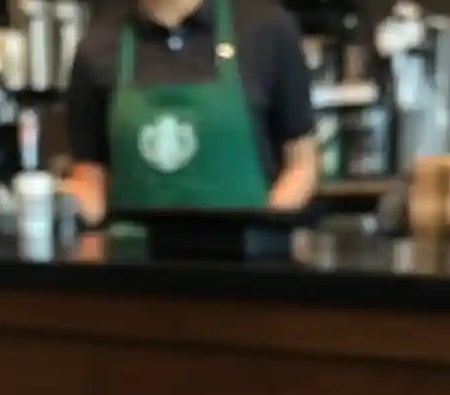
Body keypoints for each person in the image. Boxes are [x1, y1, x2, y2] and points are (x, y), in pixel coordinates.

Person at [64, 0, 318, 226]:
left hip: (244, 257)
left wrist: (265, 231)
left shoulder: (267, 27)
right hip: (133, 257)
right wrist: (60, 201)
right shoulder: (97, 45)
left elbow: (301, 163)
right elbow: (90, 176)